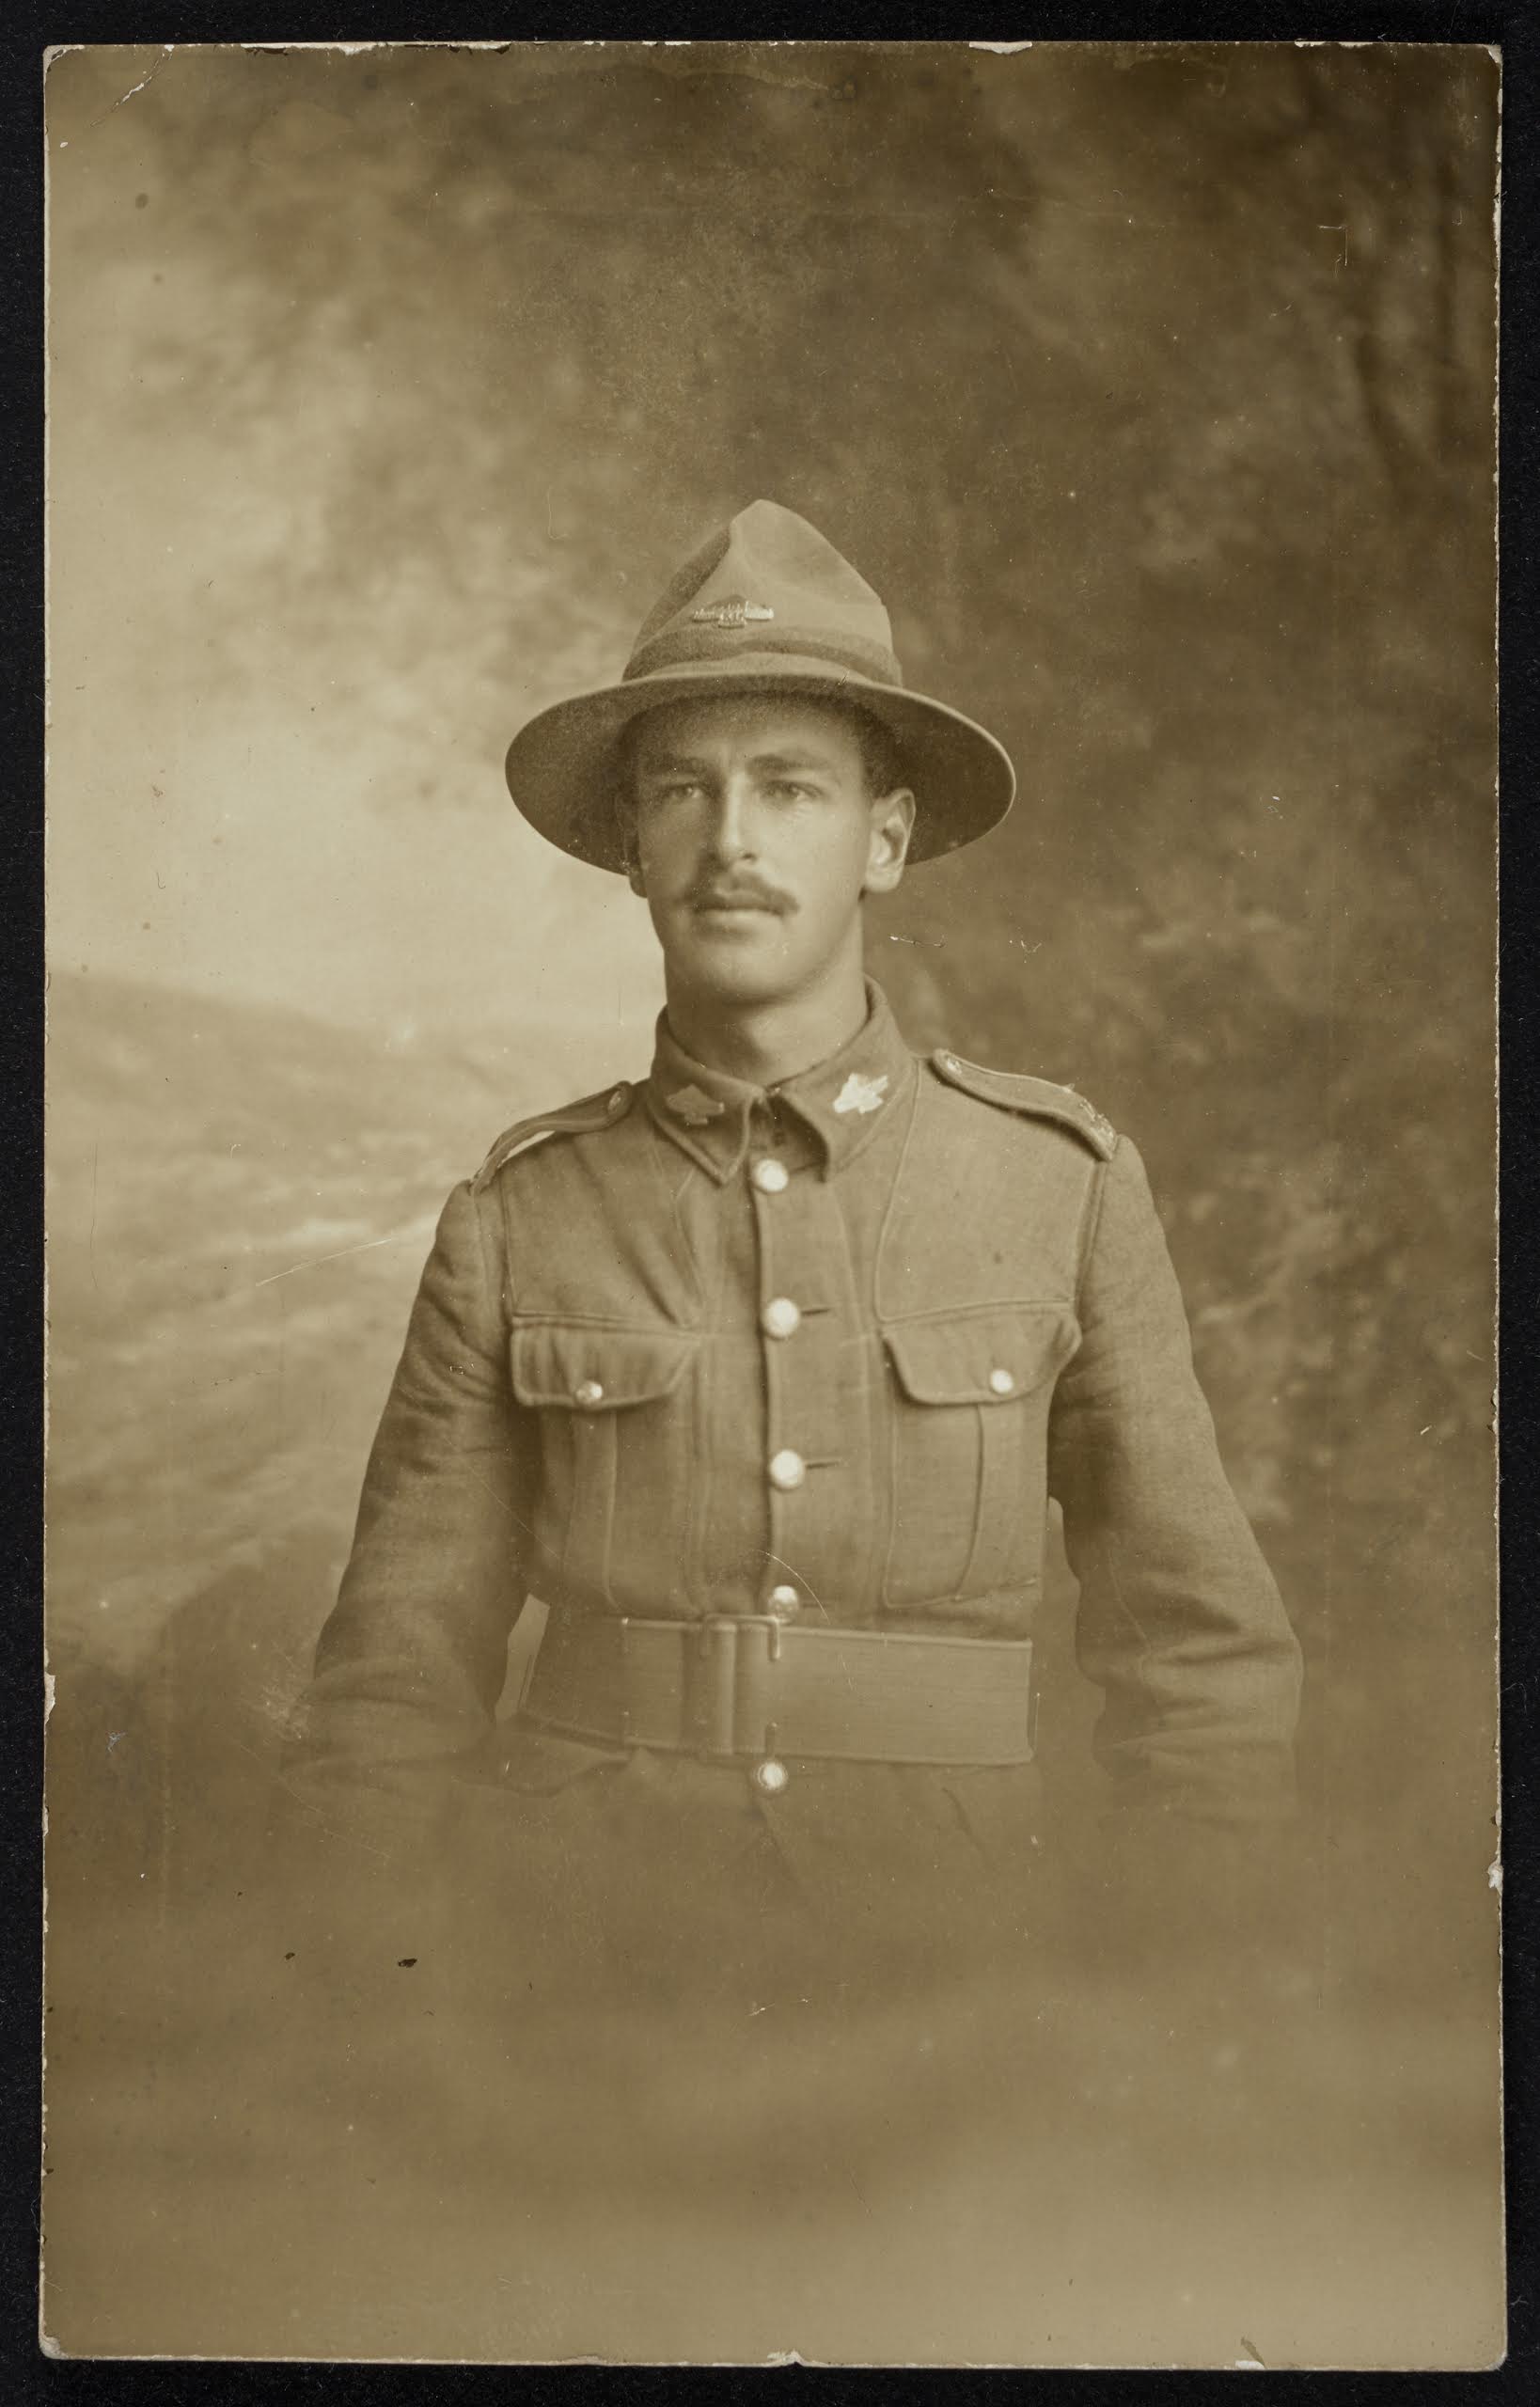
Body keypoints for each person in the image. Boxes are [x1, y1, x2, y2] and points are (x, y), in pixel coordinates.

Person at [287, 499, 1302, 2009]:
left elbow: (1198, 1661)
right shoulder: (520, 1217)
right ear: (630, 845)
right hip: (577, 1963)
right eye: (681, 790)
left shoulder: (1056, 1187)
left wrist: (1193, 1999)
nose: (732, 841)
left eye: (789, 787)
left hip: (961, 1970)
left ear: (883, 841)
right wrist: (364, 2003)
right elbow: (394, 1681)